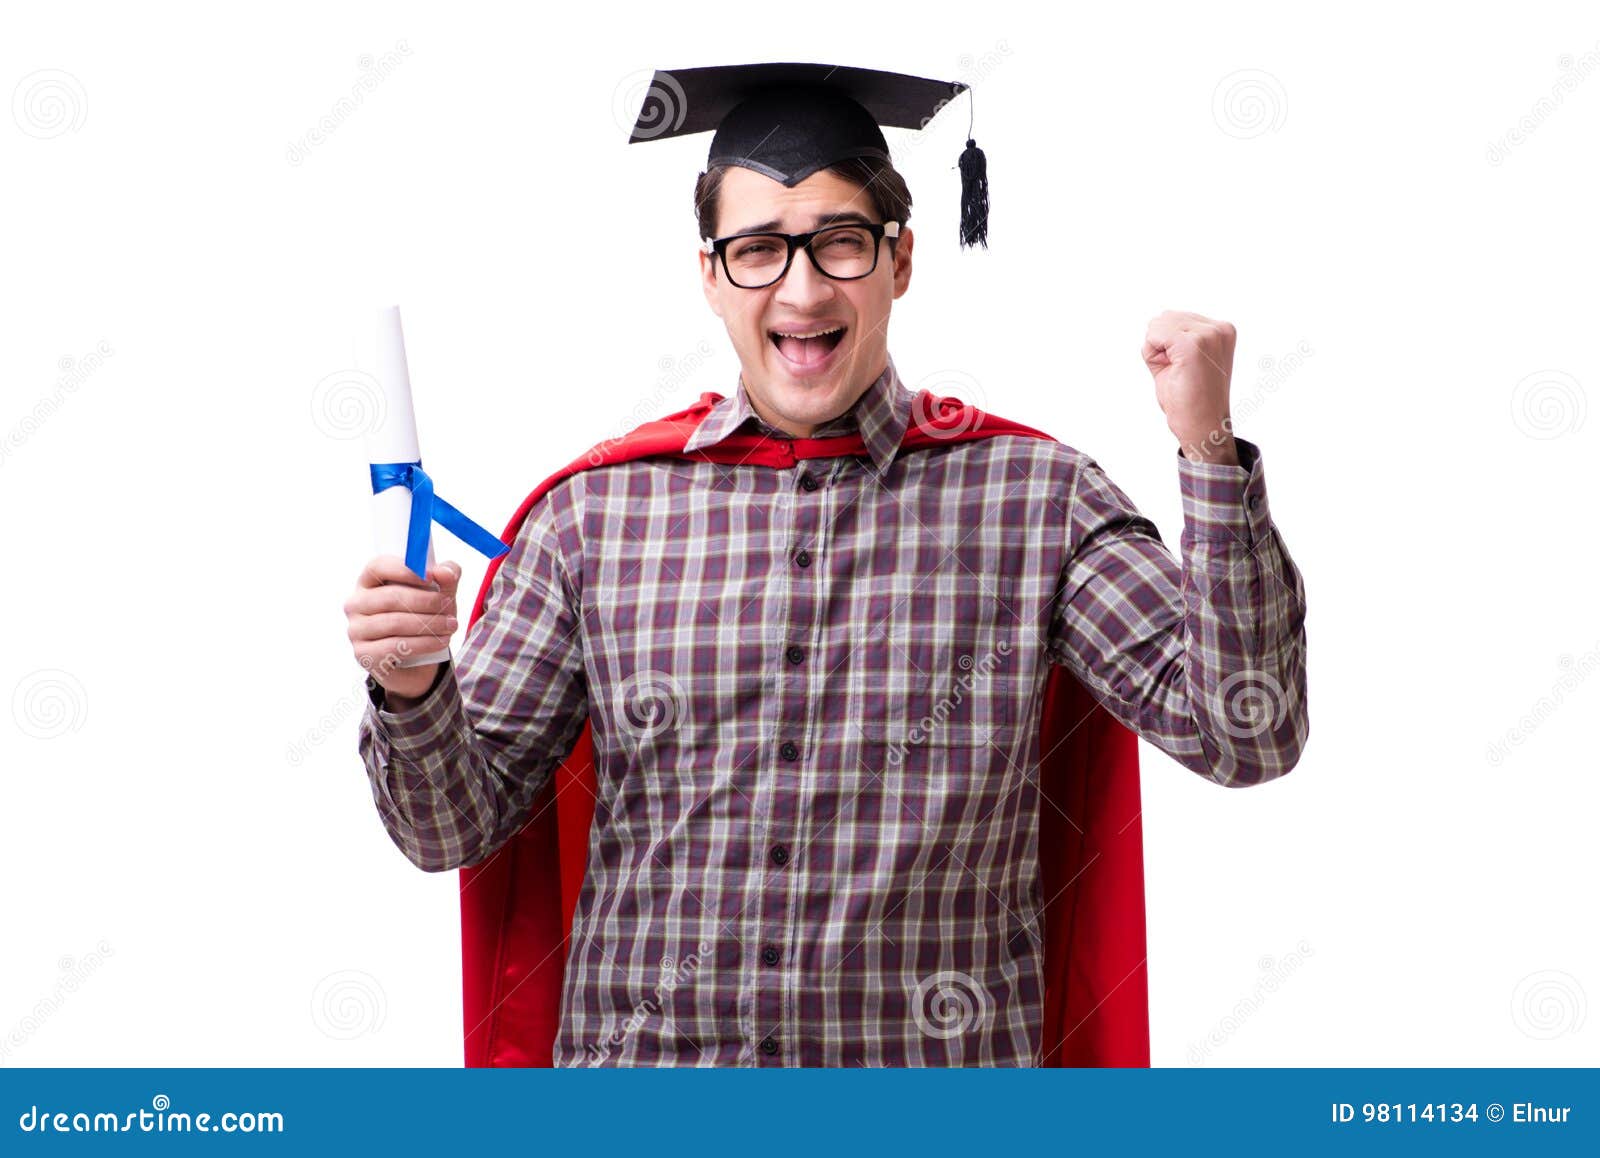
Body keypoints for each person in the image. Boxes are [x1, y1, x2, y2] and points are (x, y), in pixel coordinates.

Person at [344, 62, 1309, 1067]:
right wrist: (412, 685)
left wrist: (1208, 448)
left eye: (841, 243)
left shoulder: (1039, 503)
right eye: (758, 250)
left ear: (900, 259)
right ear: (710, 276)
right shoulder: (591, 519)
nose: (801, 291)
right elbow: (445, 831)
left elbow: (1245, 736)